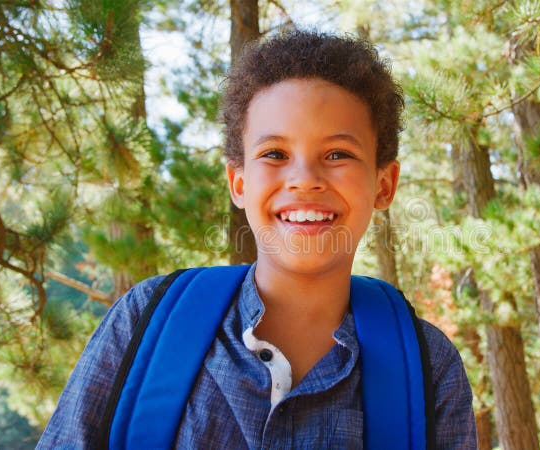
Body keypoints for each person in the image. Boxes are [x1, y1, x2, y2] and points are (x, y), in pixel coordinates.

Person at [37, 29, 477, 449]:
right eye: (274, 154)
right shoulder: (146, 322)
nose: (305, 180)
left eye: (338, 154)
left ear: (384, 184)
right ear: (239, 182)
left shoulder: (428, 368)